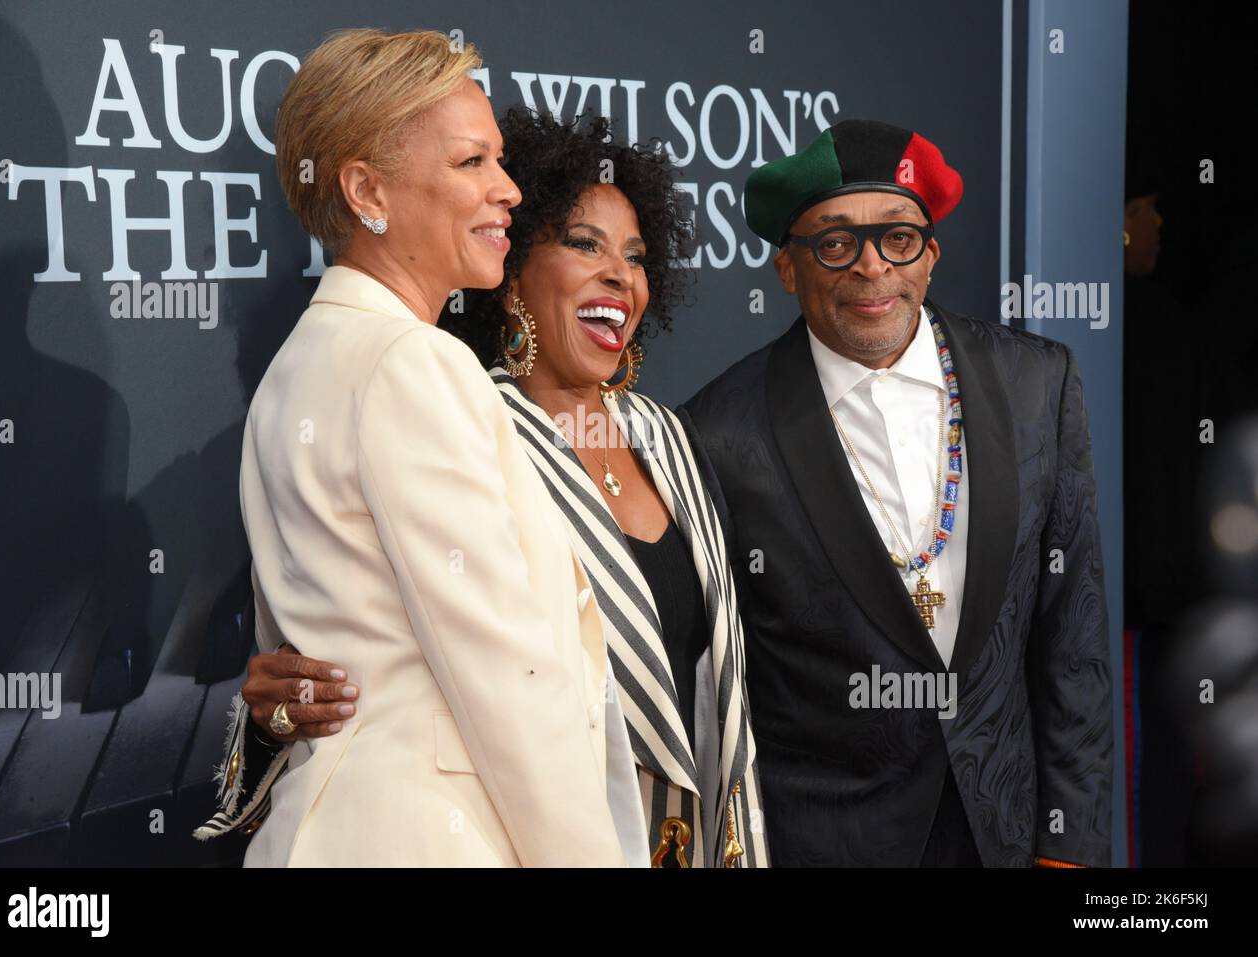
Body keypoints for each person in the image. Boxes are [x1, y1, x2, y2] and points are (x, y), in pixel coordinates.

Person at [198, 108, 769, 867]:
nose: (618, 275)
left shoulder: (672, 440)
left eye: (634, 255)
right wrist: (270, 715)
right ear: (513, 273)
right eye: (583, 243)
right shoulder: (459, 404)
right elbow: (495, 689)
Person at [679, 119, 1113, 866]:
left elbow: (1072, 636)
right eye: (836, 243)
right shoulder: (715, 433)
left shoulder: (1038, 382)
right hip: (824, 840)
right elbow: (722, 685)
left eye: (899, 238)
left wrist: (1069, 839)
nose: (873, 268)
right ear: (788, 268)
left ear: (932, 254)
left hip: (1006, 834)